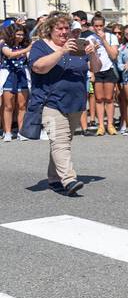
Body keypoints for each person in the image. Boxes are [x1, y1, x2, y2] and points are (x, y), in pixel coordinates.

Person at [29, 14, 90, 195]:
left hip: (75, 103)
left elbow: (93, 67)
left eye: (66, 28)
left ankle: (54, 178)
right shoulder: (41, 46)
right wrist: (61, 52)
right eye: (59, 29)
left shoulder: (77, 46)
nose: (64, 32)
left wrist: (92, 54)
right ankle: (69, 179)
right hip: (51, 102)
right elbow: (38, 67)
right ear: (50, 30)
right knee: (60, 141)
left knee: (62, 141)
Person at [83, 13, 120, 136]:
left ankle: (110, 124)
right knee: (98, 99)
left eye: (101, 26)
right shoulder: (89, 39)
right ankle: (100, 125)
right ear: (92, 26)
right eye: (96, 26)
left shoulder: (111, 37)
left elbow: (114, 55)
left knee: (109, 99)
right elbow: (87, 58)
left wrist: (103, 40)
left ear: (104, 26)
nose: (98, 28)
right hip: (96, 70)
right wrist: (93, 50)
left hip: (109, 69)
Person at [1, 22, 33, 140]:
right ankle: (7, 132)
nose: (20, 37)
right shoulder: (4, 44)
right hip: (9, 74)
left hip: (22, 74)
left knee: (22, 105)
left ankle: (21, 131)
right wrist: (27, 49)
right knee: (8, 106)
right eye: (18, 34)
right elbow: (9, 55)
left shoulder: (25, 45)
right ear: (12, 34)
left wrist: (29, 49)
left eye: (22, 34)